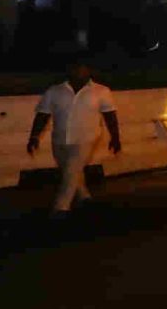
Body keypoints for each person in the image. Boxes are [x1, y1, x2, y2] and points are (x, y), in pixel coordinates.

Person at [27, 60, 120, 216]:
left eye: (82, 68)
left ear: (89, 71)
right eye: (74, 68)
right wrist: (34, 137)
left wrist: (115, 137)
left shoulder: (101, 91)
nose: (78, 71)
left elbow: (110, 115)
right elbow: (42, 114)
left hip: (87, 138)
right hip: (60, 139)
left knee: (71, 170)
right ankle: (84, 195)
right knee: (69, 170)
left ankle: (61, 207)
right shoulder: (54, 91)